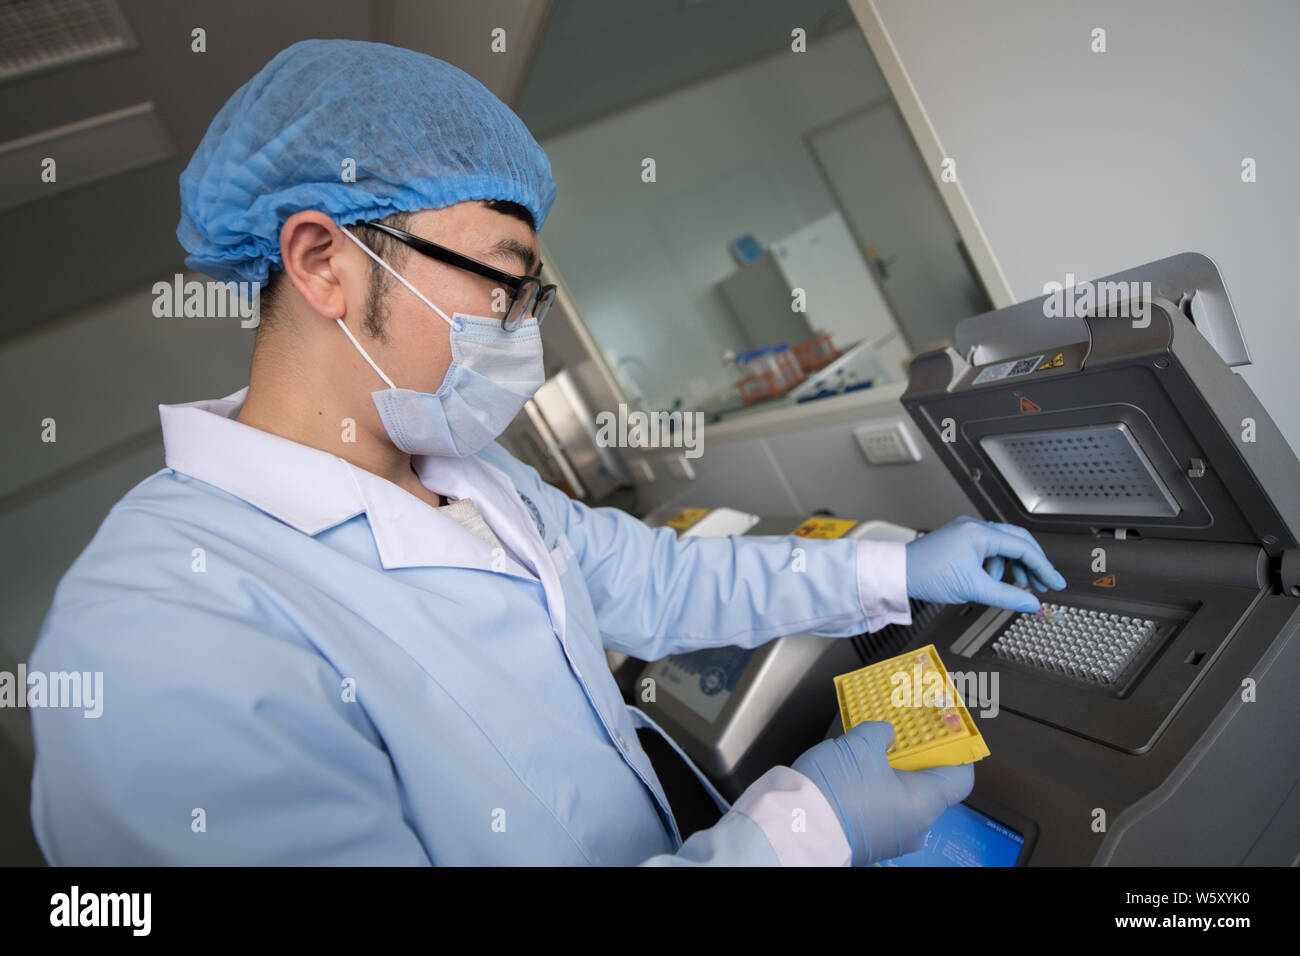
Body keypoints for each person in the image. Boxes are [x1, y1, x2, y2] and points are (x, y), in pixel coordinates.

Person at [28, 39, 1066, 866]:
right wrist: (806, 831)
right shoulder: (163, 625)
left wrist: (896, 564)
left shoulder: (461, 471)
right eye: (502, 281)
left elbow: (652, 579)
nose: (522, 329)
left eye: (532, 294)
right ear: (322, 261)